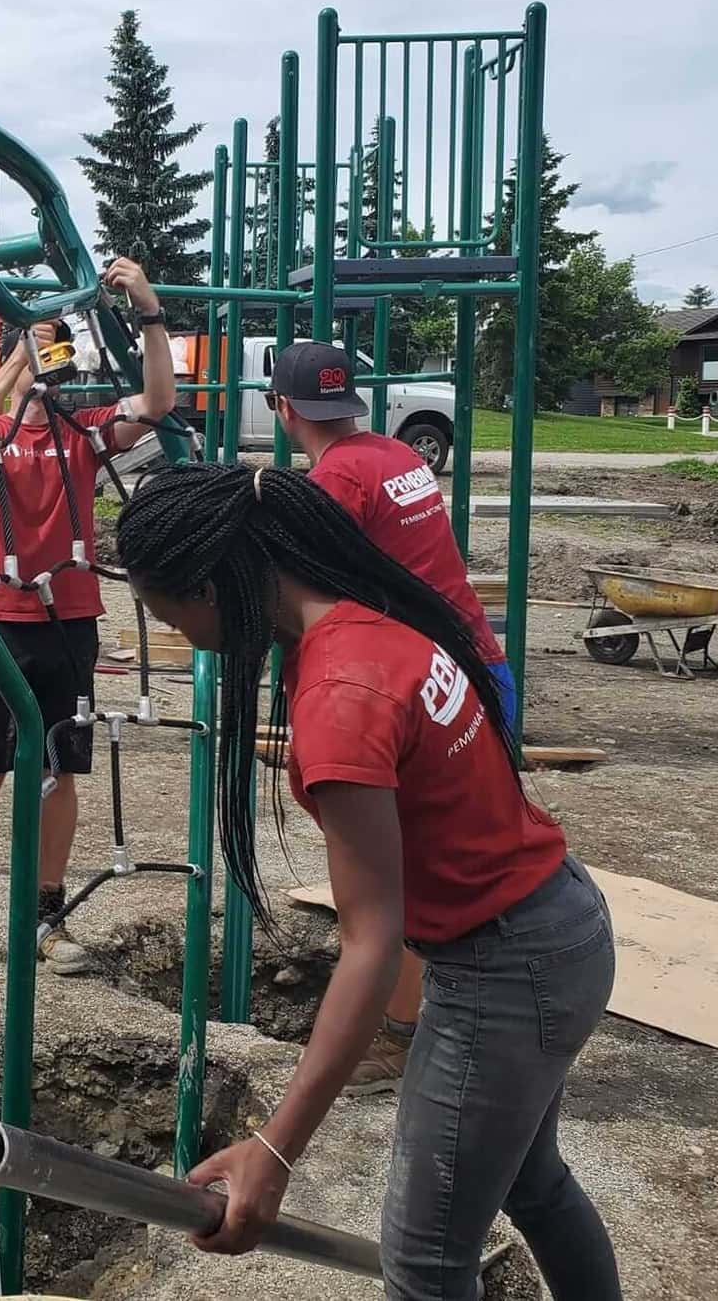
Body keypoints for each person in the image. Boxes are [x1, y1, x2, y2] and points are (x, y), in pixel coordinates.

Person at [116, 463, 620, 1301]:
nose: (185, 639)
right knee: (532, 1183)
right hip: (554, 921)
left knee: (424, 1266)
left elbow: (372, 945)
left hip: (506, 968)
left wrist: (273, 1149)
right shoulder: (366, 618)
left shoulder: (340, 696)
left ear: (210, 585)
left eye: (172, 617)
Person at [268, 340, 513, 1097]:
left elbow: (309, 589)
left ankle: (400, 1035)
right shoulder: (394, 454)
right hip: (470, 666)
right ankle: (446, 1012)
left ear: (282, 408)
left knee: (398, 873)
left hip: (422, 689)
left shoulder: (336, 480)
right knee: (451, 856)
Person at [0, 258, 176, 980]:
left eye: (54, 349)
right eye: (39, 346)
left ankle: (47, 913)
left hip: (68, 619)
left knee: (60, 770)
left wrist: (149, 310)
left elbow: (158, 402)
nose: (49, 364)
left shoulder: (84, 430)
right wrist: (16, 361)